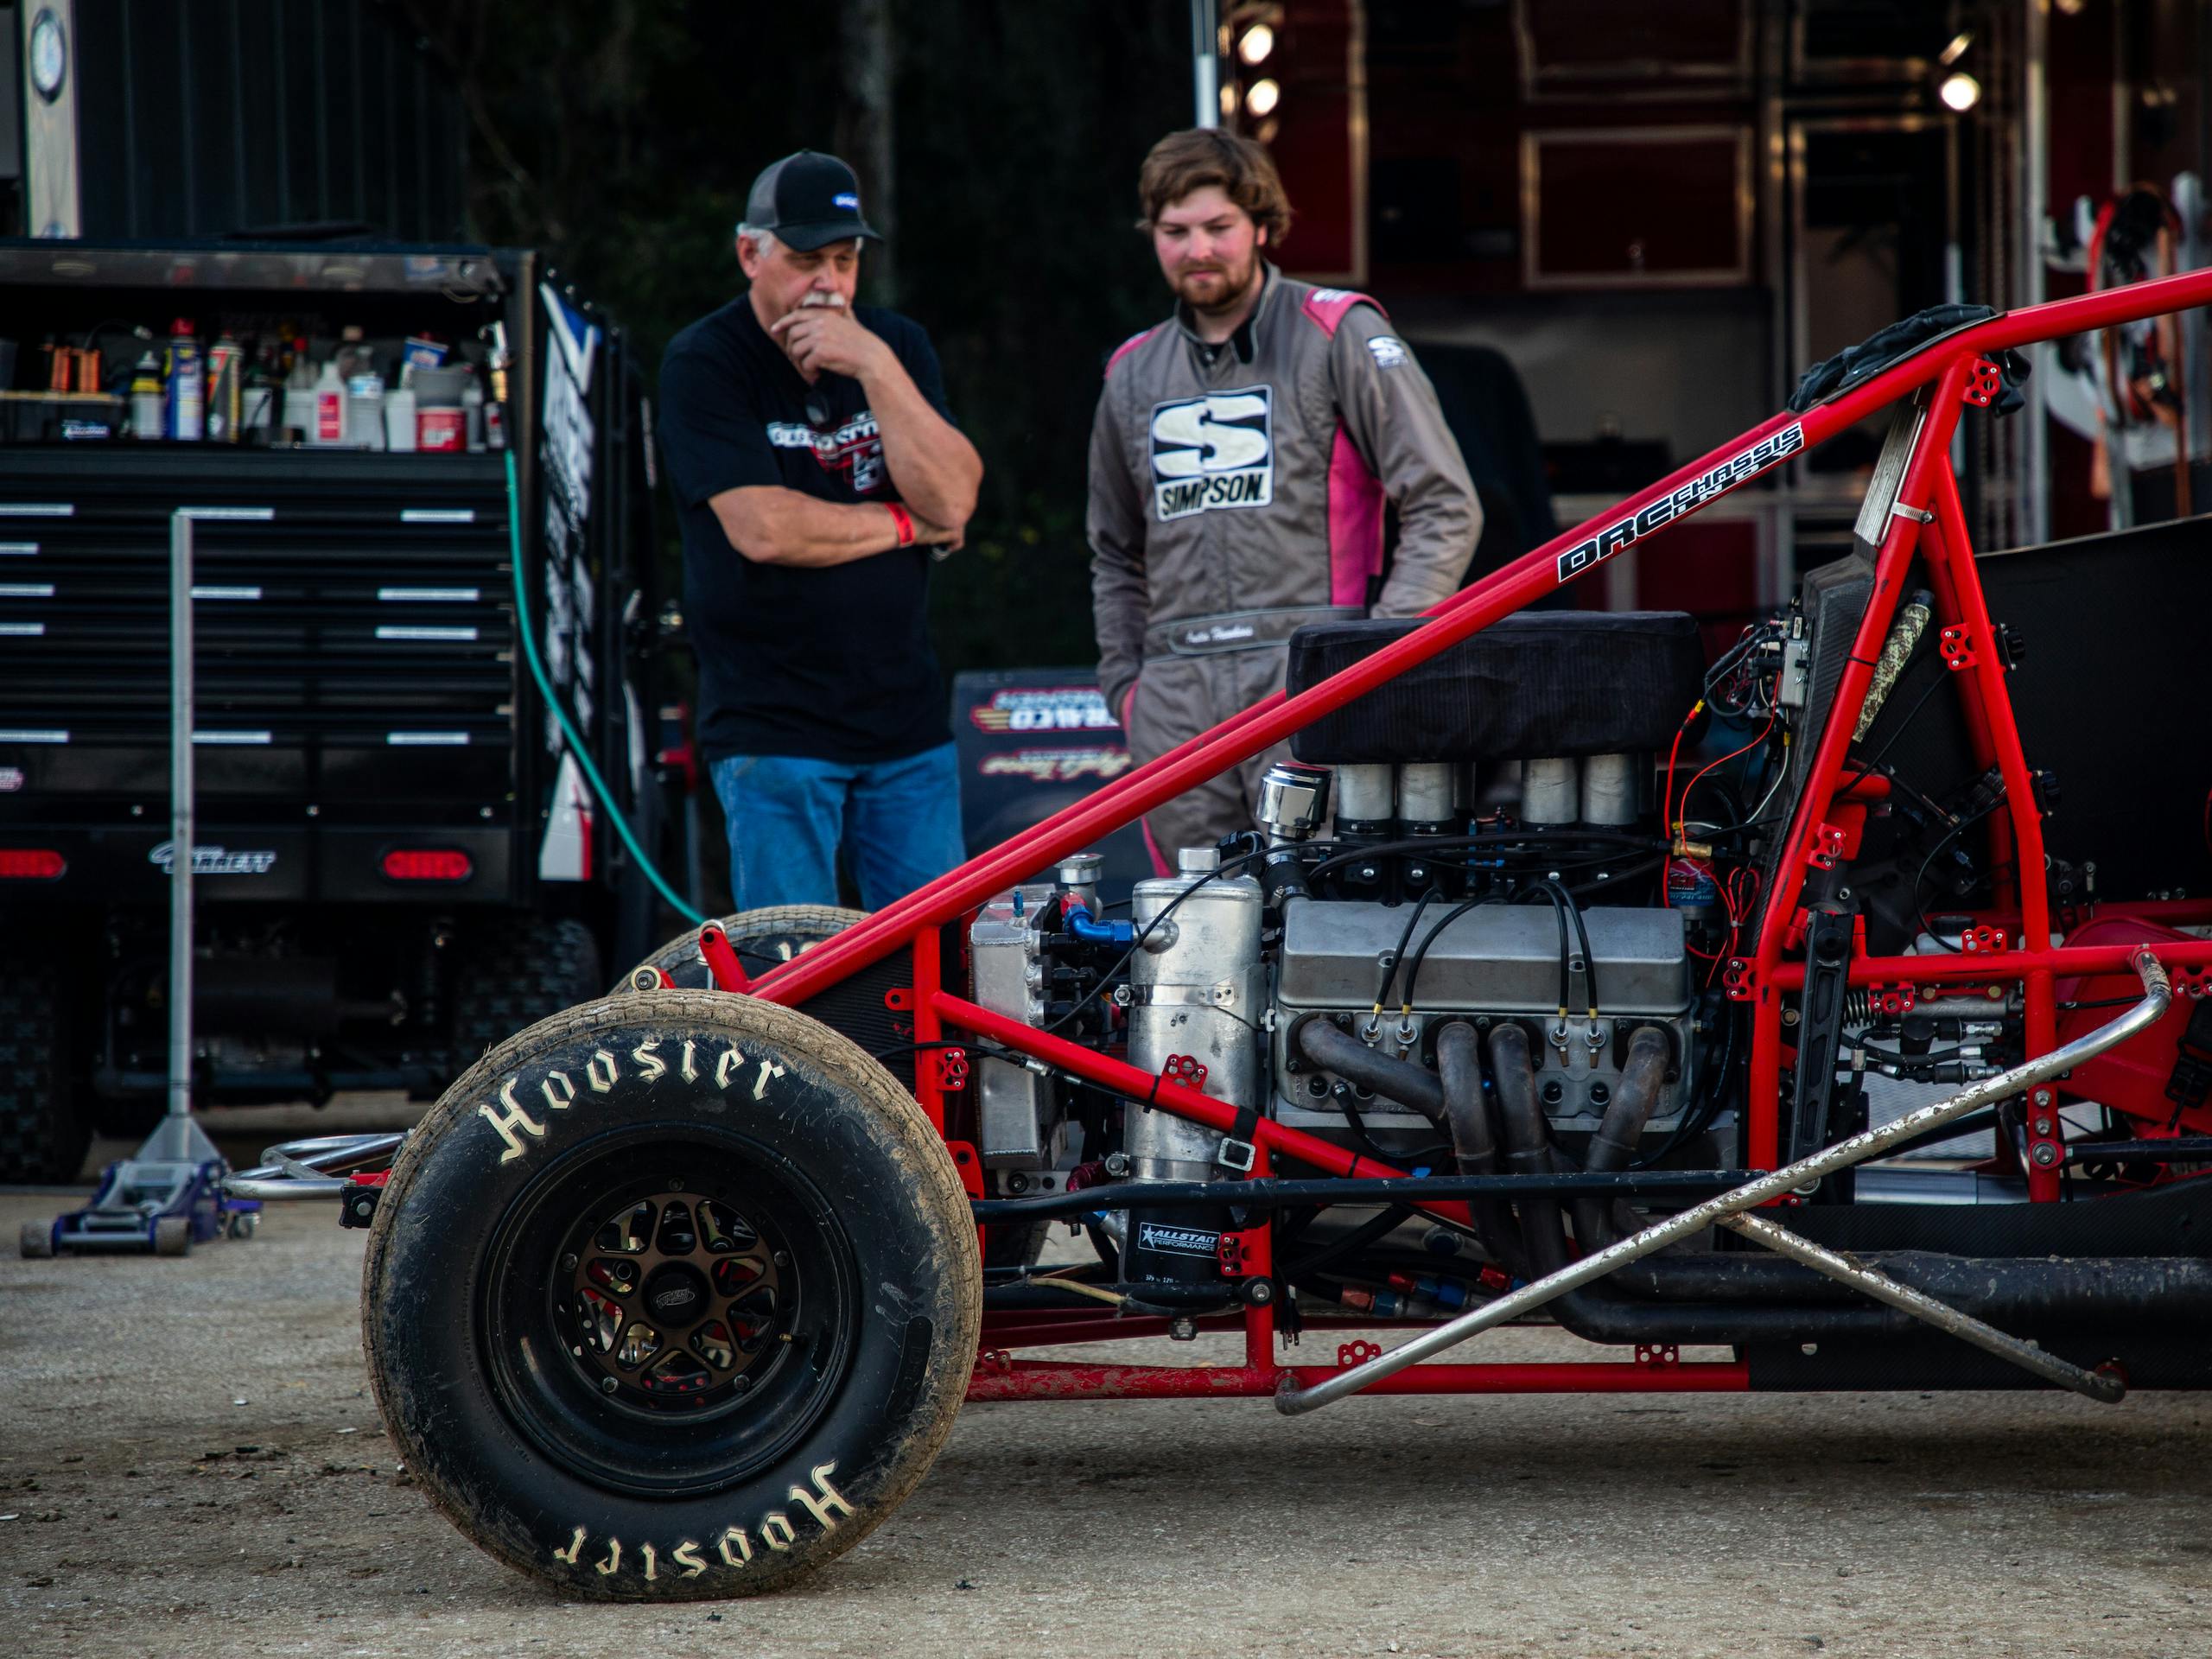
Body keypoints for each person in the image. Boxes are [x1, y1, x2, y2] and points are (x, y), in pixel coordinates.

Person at [1087, 129, 1482, 865]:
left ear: (1261, 226)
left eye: (1218, 227)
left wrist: (1376, 657)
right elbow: (1114, 553)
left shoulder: (1338, 331)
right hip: (1173, 698)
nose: (1197, 248)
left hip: (1310, 675)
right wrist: (1127, 691)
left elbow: (1444, 504)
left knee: (1325, 916)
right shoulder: (1131, 373)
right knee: (1192, 932)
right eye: (1175, 232)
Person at [658, 150, 983, 912]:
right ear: (751, 254)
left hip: (905, 724)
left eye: (845, 260)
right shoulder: (705, 361)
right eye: (807, 260)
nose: (829, 284)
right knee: (791, 970)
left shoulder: (894, 346)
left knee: (937, 962)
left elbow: (957, 496)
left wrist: (873, 366)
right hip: (772, 728)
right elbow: (766, 529)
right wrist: (909, 523)